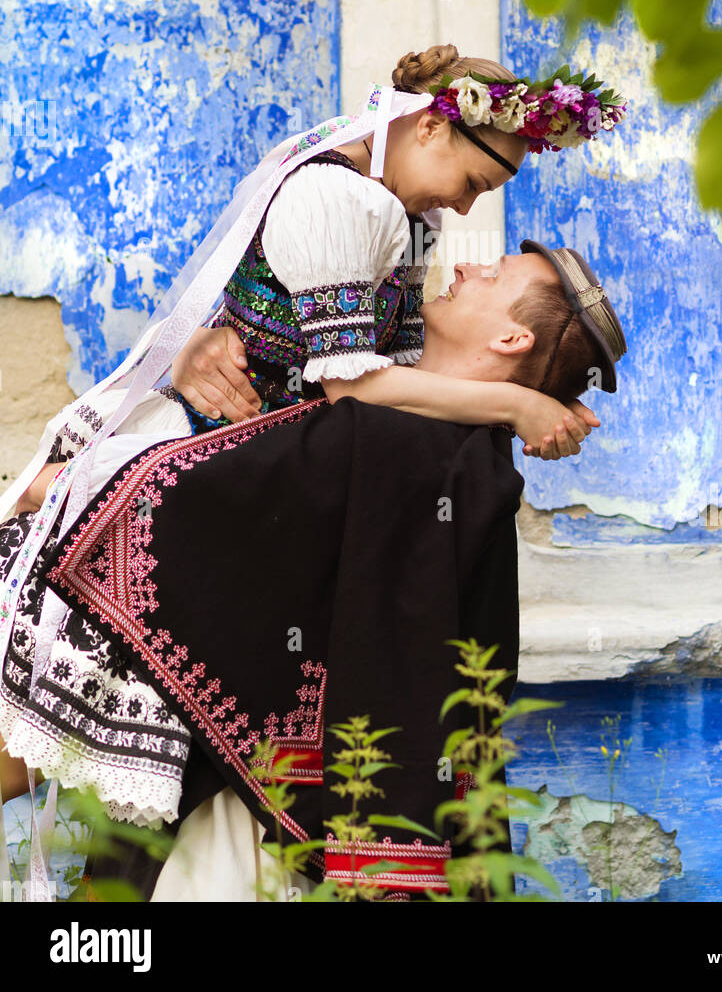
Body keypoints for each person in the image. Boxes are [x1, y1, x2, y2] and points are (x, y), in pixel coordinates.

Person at [0, 45, 627, 842]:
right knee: (29, 748)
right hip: (190, 457)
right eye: (477, 184)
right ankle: (66, 495)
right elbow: (350, 385)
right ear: (434, 128)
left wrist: (530, 399)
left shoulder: (398, 218)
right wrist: (512, 400)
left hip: (228, 475)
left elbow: (381, 377)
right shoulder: (340, 198)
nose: (469, 211)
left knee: (51, 755)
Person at [37, 241, 628, 901]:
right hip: (337, 816)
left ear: (513, 337)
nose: (464, 267)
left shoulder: (382, 439)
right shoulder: (473, 462)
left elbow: (170, 501)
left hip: (241, 821)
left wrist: (38, 488)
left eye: (492, 275)